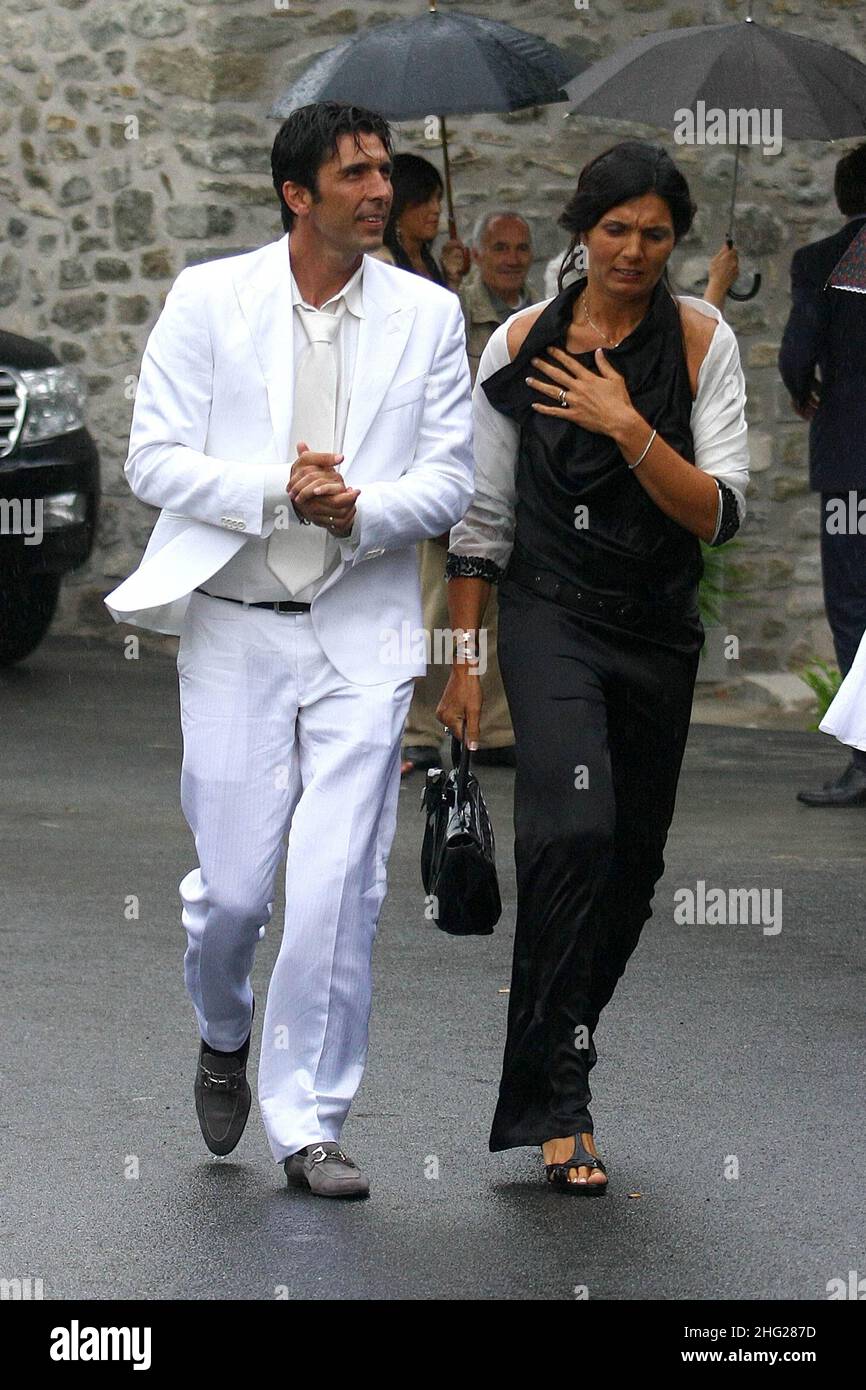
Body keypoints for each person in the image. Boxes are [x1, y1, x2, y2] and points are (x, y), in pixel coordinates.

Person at [104, 102, 473, 1199]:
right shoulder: (209, 298)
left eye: (383, 173)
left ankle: (308, 1120)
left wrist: (353, 509)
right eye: (352, 174)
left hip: (361, 639)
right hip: (233, 627)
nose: (377, 191)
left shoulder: (425, 313)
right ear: (295, 194)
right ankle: (223, 1025)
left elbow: (450, 480)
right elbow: (153, 460)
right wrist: (280, 491)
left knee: (334, 889)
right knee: (232, 895)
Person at [438, 141, 749, 1192]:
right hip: (550, 616)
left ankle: (552, 1048)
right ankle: (560, 1104)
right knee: (572, 829)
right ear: (583, 230)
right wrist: (463, 663)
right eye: (613, 228)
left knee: (628, 872)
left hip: (655, 632)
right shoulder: (519, 345)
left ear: (673, 241)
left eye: (653, 232)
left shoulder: (705, 344)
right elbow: (480, 518)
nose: (631, 249)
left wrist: (627, 428)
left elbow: (718, 515)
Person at [403, 211, 534, 774]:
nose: (512, 257)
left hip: (516, 475)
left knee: (499, 609)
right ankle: (419, 728)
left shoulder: (541, 314)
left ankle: (495, 728)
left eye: (521, 247)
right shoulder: (454, 310)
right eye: (500, 247)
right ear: (480, 253)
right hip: (457, 472)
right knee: (438, 609)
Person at [779, 142, 866, 807]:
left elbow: (795, 356)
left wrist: (805, 390)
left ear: (842, 197)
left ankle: (865, 756)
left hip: (851, 463)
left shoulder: (821, 263)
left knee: (854, 604)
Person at [374, 152, 468, 291]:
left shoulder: (427, 262)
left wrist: (451, 280)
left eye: (438, 198)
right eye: (425, 200)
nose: (437, 209)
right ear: (399, 204)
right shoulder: (382, 263)